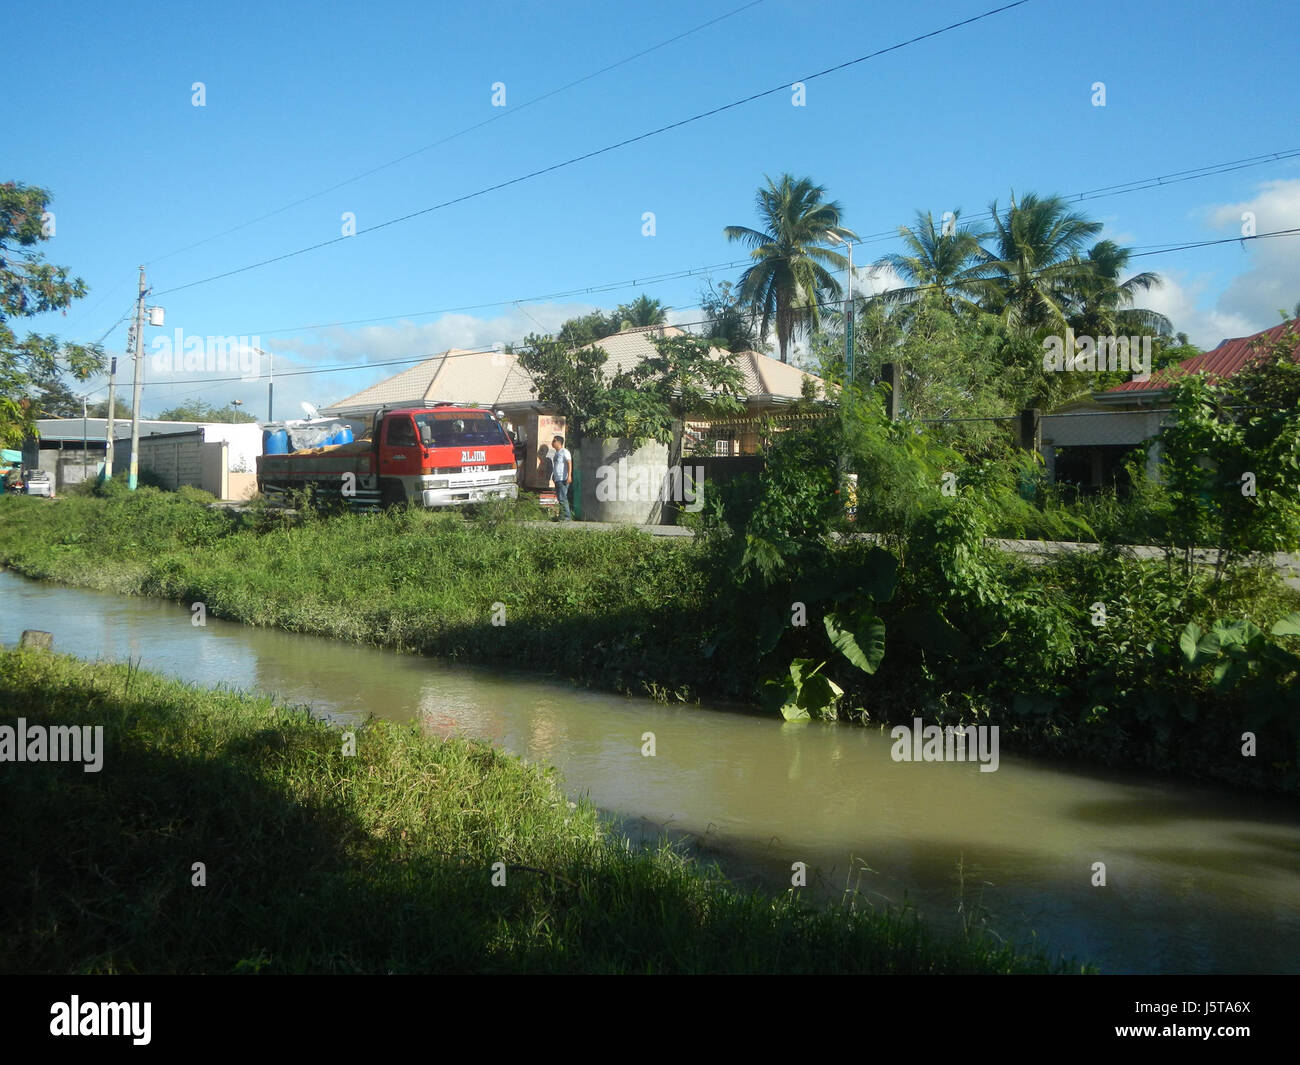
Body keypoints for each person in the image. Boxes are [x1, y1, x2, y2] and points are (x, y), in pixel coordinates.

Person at [549, 434, 573, 521]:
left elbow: (569, 463)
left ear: (559, 442)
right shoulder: (556, 453)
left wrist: (569, 476)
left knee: (563, 497)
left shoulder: (564, 452)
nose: (552, 443)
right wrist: (553, 475)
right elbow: (556, 466)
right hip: (557, 478)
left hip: (563, 478)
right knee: (560, 498)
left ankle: (567, 517)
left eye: (554, 441)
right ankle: (562, 516)